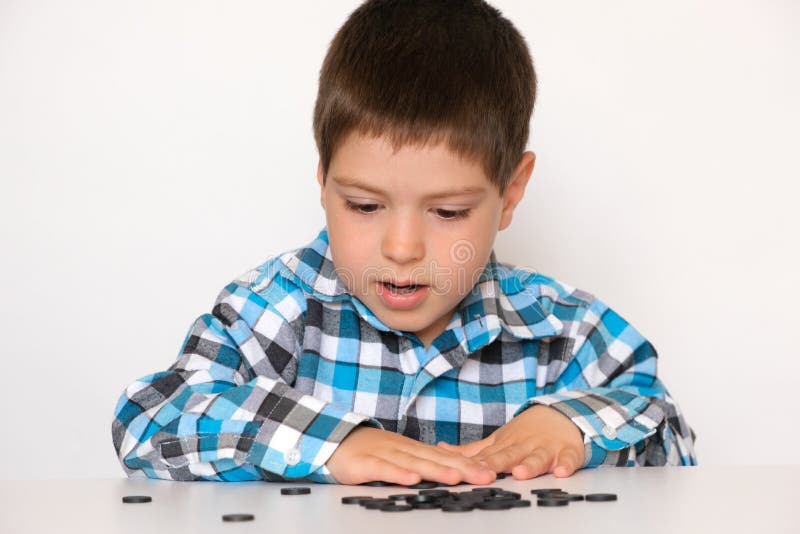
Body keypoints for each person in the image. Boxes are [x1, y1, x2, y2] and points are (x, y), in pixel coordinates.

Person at [112, 0, 697, 485]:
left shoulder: (557, 331)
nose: (400, 248)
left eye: (448, 212)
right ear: (323, 180)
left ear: (511, 192)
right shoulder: (278, 310)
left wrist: (571, 424)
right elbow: (149, 419)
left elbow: (668, 432)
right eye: (364, 206)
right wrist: (329, 444)